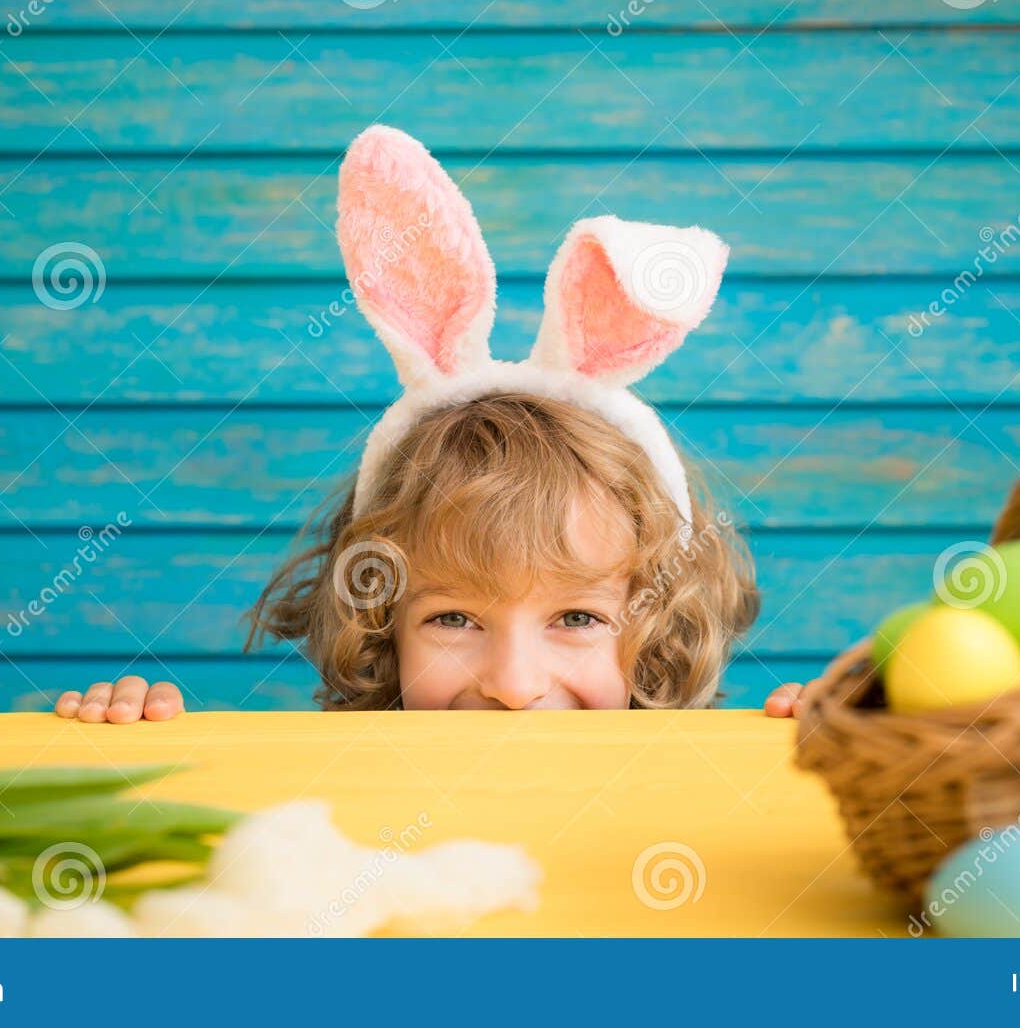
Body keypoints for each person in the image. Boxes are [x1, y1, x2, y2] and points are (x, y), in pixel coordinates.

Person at [56, 126, 808, 723]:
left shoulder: (699, 791)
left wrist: (836, 734)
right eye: (452, 617)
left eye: (577, 614)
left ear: (658, 631)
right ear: (381, 628)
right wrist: (127, 745)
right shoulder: (339, 805)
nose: (514, 685)